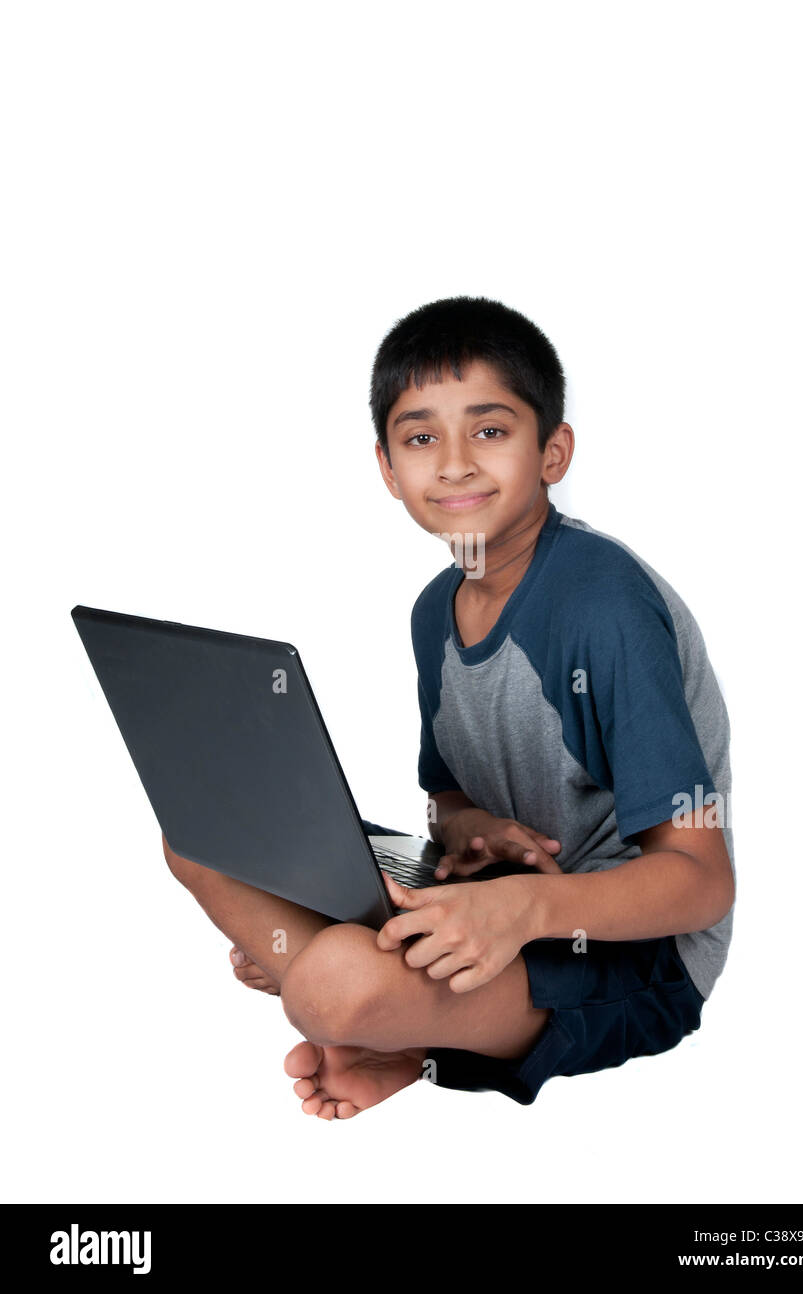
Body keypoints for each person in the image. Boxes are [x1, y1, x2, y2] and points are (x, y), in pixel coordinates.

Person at [164, 294, 735, 1117]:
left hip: (637, 950)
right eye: (421, 436)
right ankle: (387, 1016)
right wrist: (467, 832)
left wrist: (517, 909)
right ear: (387, 469)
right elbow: (449, 801)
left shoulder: (600, 605)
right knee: (203, 830)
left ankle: (381, 1023)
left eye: (491, 430)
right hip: (501, 891)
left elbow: (700, 883)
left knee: (326, 981)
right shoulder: (435, 608)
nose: (456, 462)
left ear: (553, 450)